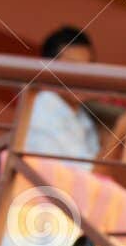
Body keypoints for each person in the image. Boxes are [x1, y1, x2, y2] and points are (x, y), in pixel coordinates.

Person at [26, 27, 104, 166]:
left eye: (88, 67)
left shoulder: (82, 116)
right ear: (49, 70)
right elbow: (86, 178)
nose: (82, 76)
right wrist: (120, 132)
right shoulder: (45, 107)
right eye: (73, 67)